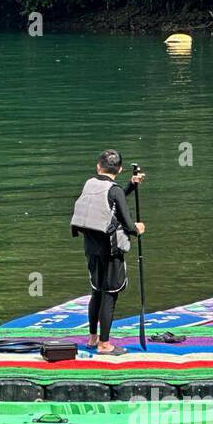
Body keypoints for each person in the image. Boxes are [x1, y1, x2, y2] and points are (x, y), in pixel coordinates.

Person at [71, 149, 145, 353]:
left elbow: (110, 202)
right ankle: (105, 344)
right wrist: (137, 229)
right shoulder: (115, 191)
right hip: (111, 252)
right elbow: (128, 223)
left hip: (91, 249)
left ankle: (93, 338)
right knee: (110, 294)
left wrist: (131, 185)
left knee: (96, 291)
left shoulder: (89, 184)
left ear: (98, 167)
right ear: (119, 169)